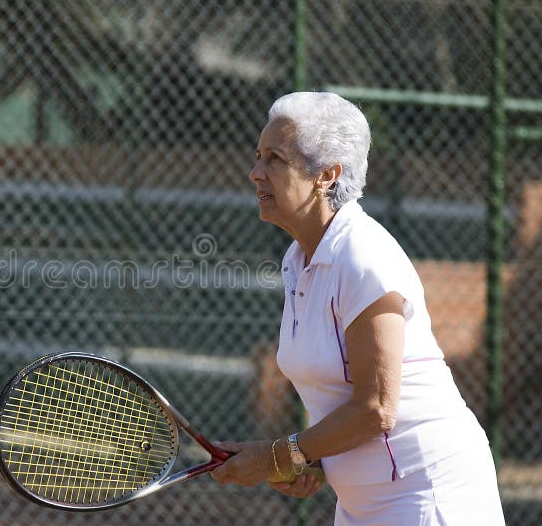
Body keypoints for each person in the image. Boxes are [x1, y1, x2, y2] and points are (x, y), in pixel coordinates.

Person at [210, 92, 505, 525]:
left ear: (326, 175)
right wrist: (314, 460)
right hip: (361, 504)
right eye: (258, 157)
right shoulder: (298, 260)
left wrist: (278, 455)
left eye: (274, 159)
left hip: (428, 493)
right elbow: (338, 391)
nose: (256, 173)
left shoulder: (363, 255)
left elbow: (376, 409)